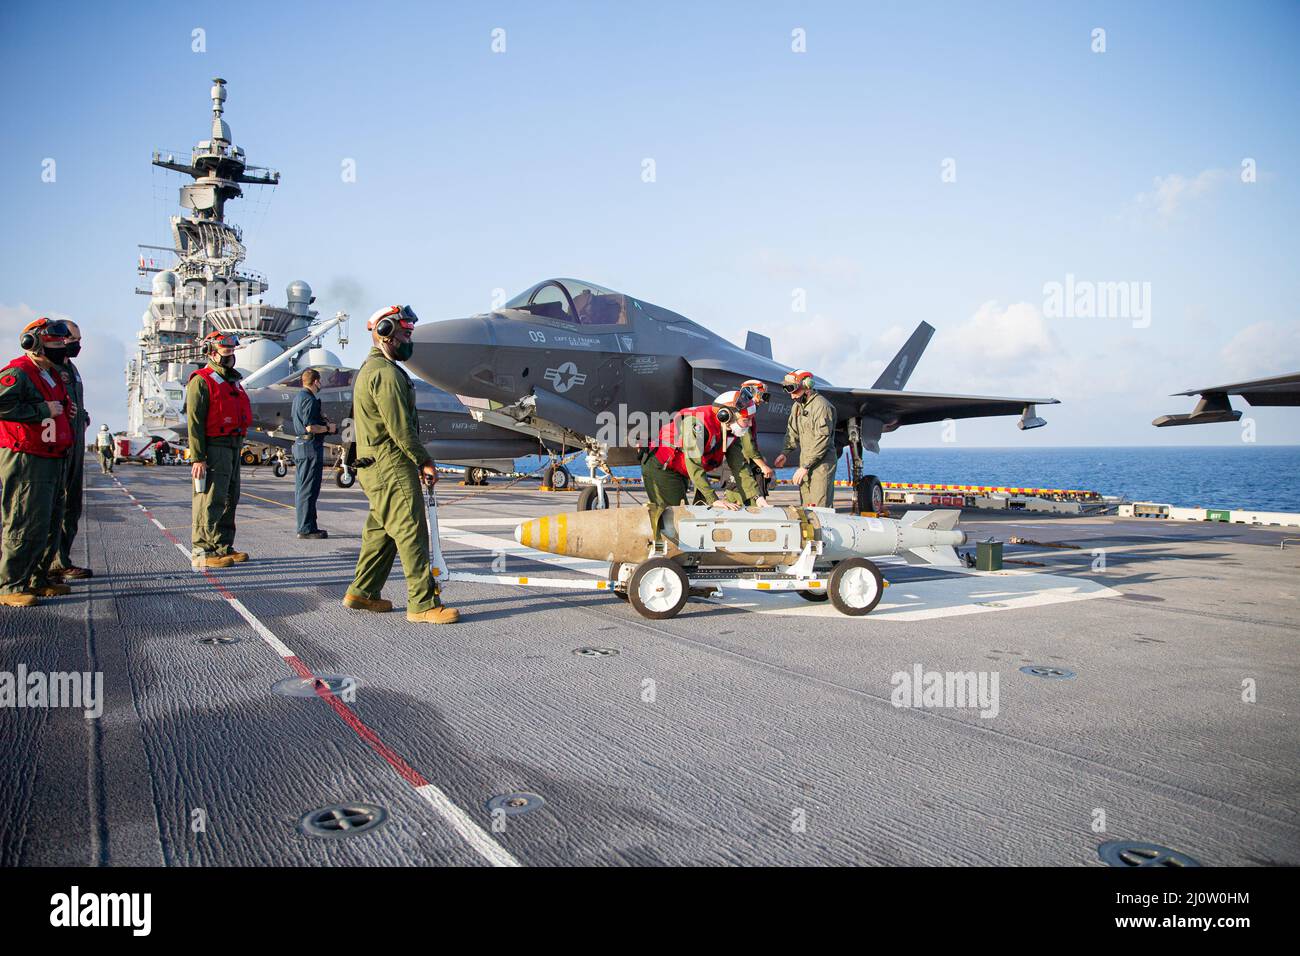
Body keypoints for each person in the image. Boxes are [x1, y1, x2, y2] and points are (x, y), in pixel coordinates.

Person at [343, 306, 459, 624]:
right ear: (385, 333)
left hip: (374, 465)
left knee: (382, 531)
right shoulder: (386, 374)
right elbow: (400, 429)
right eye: (406, 334)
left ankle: (363, 591)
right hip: (390, 463)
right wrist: (424, 460)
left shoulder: (371, 369)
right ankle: (422, 603)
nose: (409, 341)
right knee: (410, 528)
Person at [0, 318, 76, 606]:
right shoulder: (20, 373)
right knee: (24, 519)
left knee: (49, 520)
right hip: (26, 457)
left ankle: (37, 578)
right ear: (34, 344)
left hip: (50, 457)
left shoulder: (50, 374)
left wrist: (62, 414)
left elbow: (57, 408)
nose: (62, 347)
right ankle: (10, 584)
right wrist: (42, 409)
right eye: (56, 342)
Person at [641, 389, 769, 533]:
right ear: (725, 415)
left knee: (696, 516)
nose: (750, 424)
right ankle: (663, 549)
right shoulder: (697, 424)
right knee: (674, 518)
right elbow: (694, 464)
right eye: (746, 420)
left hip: (682, 470)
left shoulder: (731, 430)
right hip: (662, 468)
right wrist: (713, 499)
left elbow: (739, 466)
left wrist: (757, 497)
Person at [187, 330, 253, 569]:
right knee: (209, 500)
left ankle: (223, 545)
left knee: (229, 498)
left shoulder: (232, 381)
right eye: (227, 350)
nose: (231, 354)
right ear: (212, 352)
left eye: (233, 350)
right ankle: (202, 550)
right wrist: (198, 457)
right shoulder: (201, 380)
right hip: (214, 449)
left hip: (234, 447)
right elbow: (194, 423)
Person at [49, 320, 93, 580]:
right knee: (54, 505)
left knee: (71, 506)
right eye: (73, 339)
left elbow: (74, 401)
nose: (78, 344)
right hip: (56, 446)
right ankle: (48, 564)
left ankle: (61, 559)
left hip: (75, 444)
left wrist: (83, 416)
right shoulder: (48, 368)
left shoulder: (71, 368)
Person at [773, 369, 838, 509]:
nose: (791, 396)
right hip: (806, 464)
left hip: (821, 464)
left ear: (807, 386)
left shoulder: (822, 406)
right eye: (788, 390)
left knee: (820, 509)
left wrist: (805, 466)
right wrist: (785, 453)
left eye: (793, 390)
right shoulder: (797, 407)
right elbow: (792, 431)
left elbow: (822, 440)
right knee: (806, 508)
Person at [292, 368, 337, 539]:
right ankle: (305, 529)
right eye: (320, 381)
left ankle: (309, 525)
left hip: (301, 445)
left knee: (302, 488)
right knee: (309, 489)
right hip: (310, 446)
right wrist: (328, 428)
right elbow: (310, 427)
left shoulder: (298, 398)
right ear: (316, 381)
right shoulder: (310, 400)